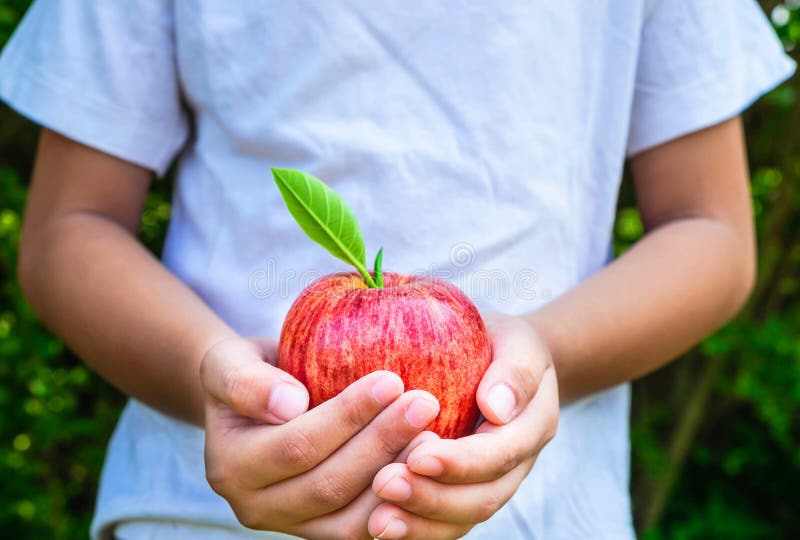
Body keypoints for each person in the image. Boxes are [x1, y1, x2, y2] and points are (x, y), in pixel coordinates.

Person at [0, 1, 794, 539]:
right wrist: (213, 383)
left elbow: (712, 230)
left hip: (543, 513)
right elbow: (71, 227)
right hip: (198, 509)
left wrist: (539, 352)